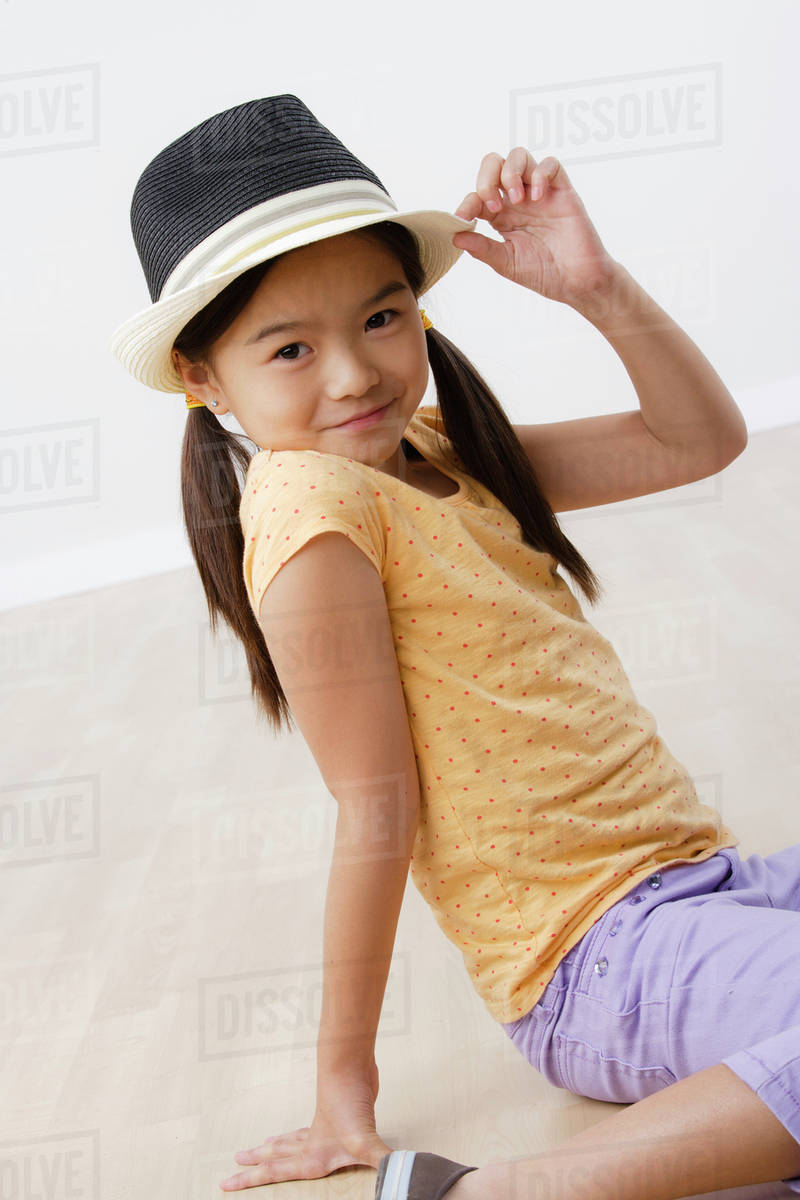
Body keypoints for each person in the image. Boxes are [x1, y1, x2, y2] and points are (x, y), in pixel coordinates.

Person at [110, 95, 800, 1200]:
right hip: (591, 965)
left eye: (381, 319)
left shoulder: (435, 448)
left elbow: (696, 440)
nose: (352, 375)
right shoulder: (310, 514)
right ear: (202, 376)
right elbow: (374, 809)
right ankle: (493, 1192)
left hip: (699, 887)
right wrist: (344, 1091)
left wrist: (596, 289)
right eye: (289, 347)